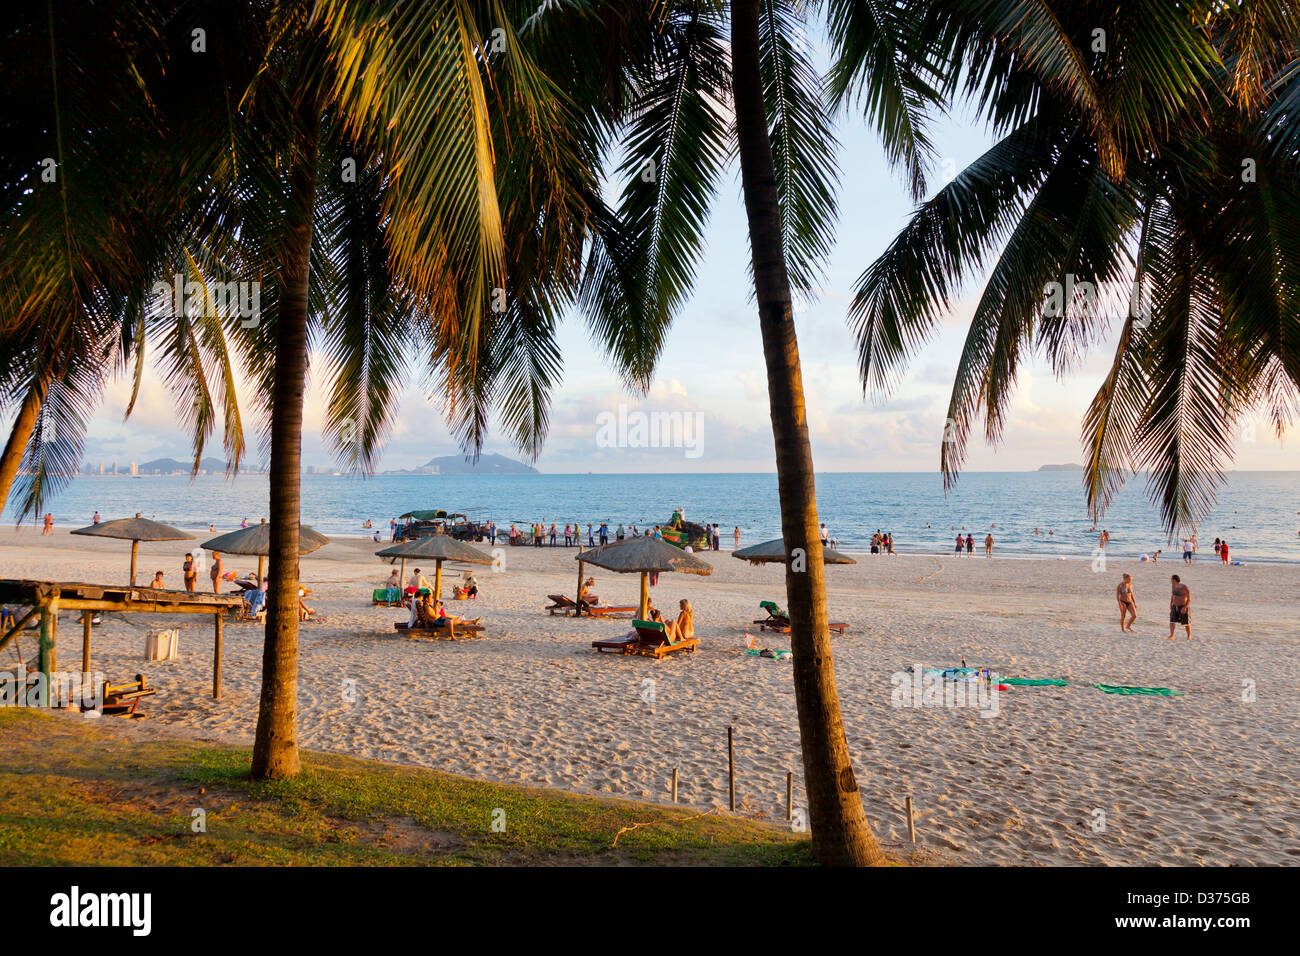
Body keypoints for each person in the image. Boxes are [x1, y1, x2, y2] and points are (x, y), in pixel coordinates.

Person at [1168, 574, 1192, 640]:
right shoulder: (1173, 586)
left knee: (1186, 623)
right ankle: (1172, 635)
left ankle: (1189, 636)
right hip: (1174, 606)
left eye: (1171, 579)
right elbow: (1173, 595)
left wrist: (1185, 607)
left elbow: (1189, 598)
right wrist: (1171, 603)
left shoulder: (1184, 587)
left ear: (1174, 580)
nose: (1170, 580)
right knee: (1172, 621)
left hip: (1183, 606)